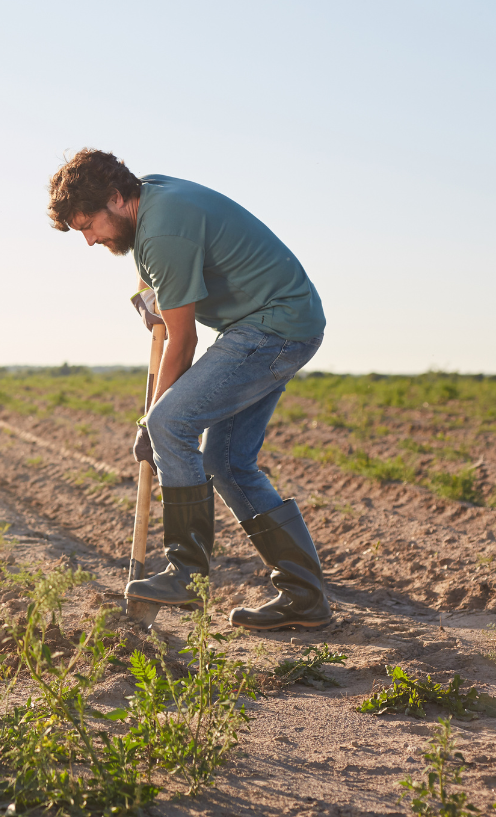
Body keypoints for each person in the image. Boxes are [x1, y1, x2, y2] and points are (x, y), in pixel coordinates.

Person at [47, 149, 330, 630]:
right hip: (278, 323)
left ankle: (185, 572)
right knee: (226, 462)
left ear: (117, 197)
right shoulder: (152, 196)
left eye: (89, 226)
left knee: (170, 422)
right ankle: (305, 599)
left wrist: (153, 422)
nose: (90, 241)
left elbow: (183, 342)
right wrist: (147, 295)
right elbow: (151, 270)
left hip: (271, 329)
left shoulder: (162, 231)